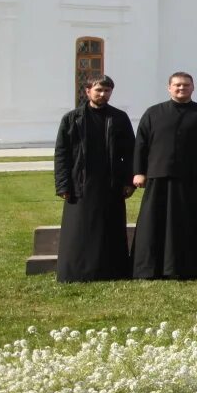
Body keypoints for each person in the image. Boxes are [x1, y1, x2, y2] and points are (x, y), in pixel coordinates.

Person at [131, 72, 197, 280]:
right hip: (157, 176)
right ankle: (149, 268)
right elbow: (141, 144)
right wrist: (138, 172)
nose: (182, 89)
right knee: (154, 223)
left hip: (192, 178)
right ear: (169, 88)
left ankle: (190, 267)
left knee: (190, 222)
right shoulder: (153, 113)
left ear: (193, 88)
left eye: (186, 85)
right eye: (177, 85)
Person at [54, 75, 135, 283]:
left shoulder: (119, 118)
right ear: (88, 90)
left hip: (111, 182)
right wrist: (63, 184)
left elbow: (130, 152)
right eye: (98, 90)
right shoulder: (72, 119)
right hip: (80, 183)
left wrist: (128, 181)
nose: (102, 94)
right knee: (80, 229)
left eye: (107, 91)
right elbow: (62, 154)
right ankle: (75, 272)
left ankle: (111, 271)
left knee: (110, 228)